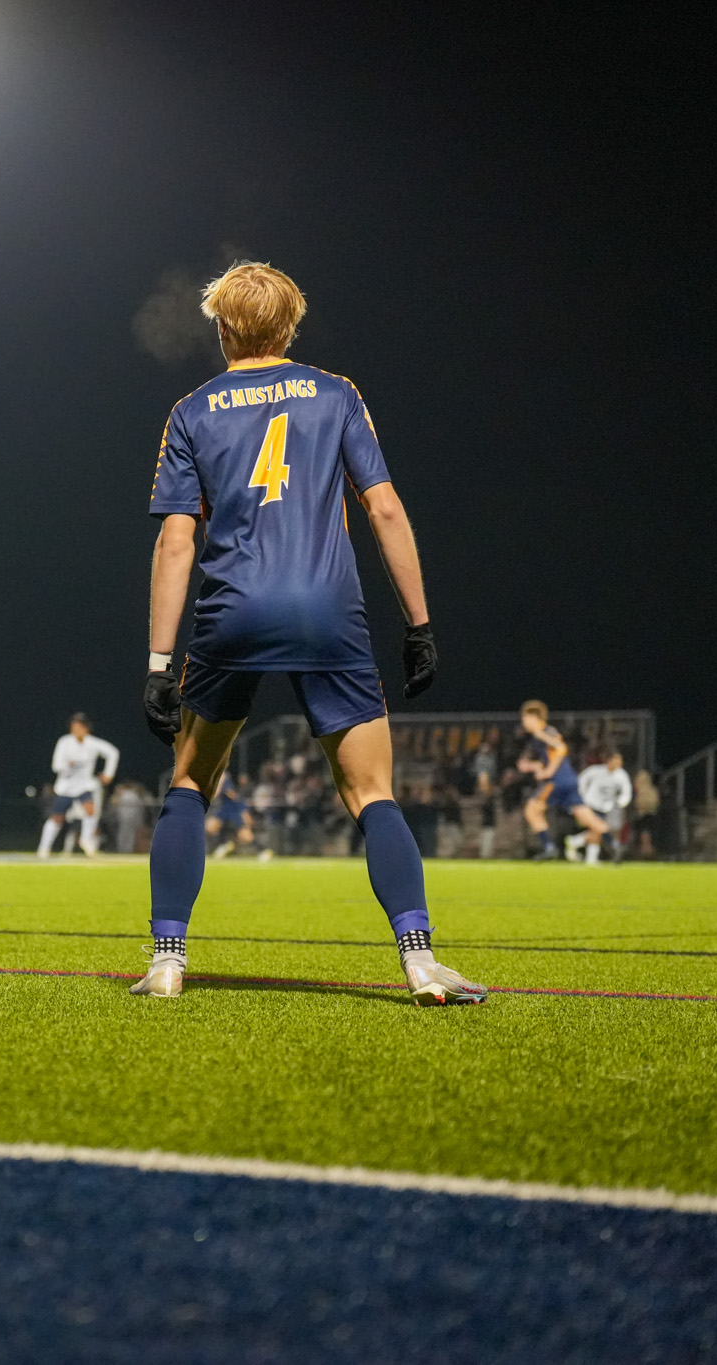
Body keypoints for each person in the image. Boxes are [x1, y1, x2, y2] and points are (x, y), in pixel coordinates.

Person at [136, 260, 483, 1005]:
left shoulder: (191, 410)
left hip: (233, 611)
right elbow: (384, 508)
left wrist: (161, 663)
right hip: (327, 609)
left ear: (223, 329)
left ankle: (167, 960)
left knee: (190, 783)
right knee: (372, 793)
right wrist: (420, 625)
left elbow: (176, 541)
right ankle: (421, 960)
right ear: (290, 326)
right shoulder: (337, 393)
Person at [517, 701, 610, 862]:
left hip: (558, 781)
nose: (523, 722)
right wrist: (531, 766)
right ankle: (614, 844)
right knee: (585, 816)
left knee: (532, 810)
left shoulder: (545, 731)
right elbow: (548, 759)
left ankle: (549, 847)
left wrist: (548, 771)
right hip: (567, 779)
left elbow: (561, 748)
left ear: (534, 717)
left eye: (525, 718)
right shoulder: (538, 737)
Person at [40, 713, 119, 857]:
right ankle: (44, 847)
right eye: (74, 727)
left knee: (91, 810)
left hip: (84, 786)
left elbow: (113, 753)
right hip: (66, 787)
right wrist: (68, 765)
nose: (76, 730)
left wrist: (109, 773)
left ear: (86, 728)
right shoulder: (64, 742)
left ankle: (86, 840)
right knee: (57, 818)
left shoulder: (92, 743)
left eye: (79, 727)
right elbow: (56, 766)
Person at [575, 750, 634, 864]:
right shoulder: (596, 770)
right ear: (609, 761)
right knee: (598, 829)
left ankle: (576, 842)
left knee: (597, 830)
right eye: (616, 761)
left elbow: (626, 791)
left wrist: (621, 802)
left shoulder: (621, 775)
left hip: (606, 807)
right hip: (591, 804)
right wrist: (582, 795)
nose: (618, 763)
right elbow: (582, 779)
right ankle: (592, 857)